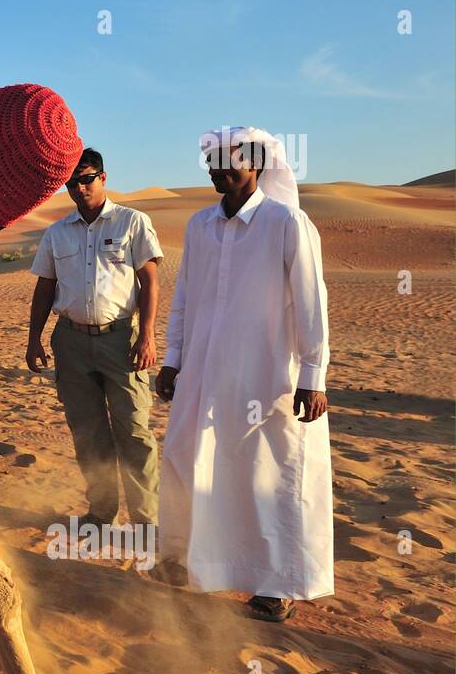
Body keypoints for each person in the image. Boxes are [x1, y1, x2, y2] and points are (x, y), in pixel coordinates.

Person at [155, 127, 331, 622]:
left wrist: (313, 373)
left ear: (258, 166)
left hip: (267, 371)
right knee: (190, 457)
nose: (218, 168)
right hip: (204, 371)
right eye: (211, 159)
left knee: (267, 471)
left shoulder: (287, 223)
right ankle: (193, 563)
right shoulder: (198, 225)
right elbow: (185, 295)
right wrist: (173, 357)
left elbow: (312, 302)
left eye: (230, 160)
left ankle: (277, 586)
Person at [27, 149, 164, 529]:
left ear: (103, 177)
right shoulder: (57, 232)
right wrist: (34, 338)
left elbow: (150, 281)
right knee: (87, 431)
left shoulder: (132, 222)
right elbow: (45, 287)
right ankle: (101, 512)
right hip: (70, 342)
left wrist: (148, 335)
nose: (80, 187)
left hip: (121, 341)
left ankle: (146, 522)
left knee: (134, 431)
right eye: (72, 182)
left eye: (87, 179)